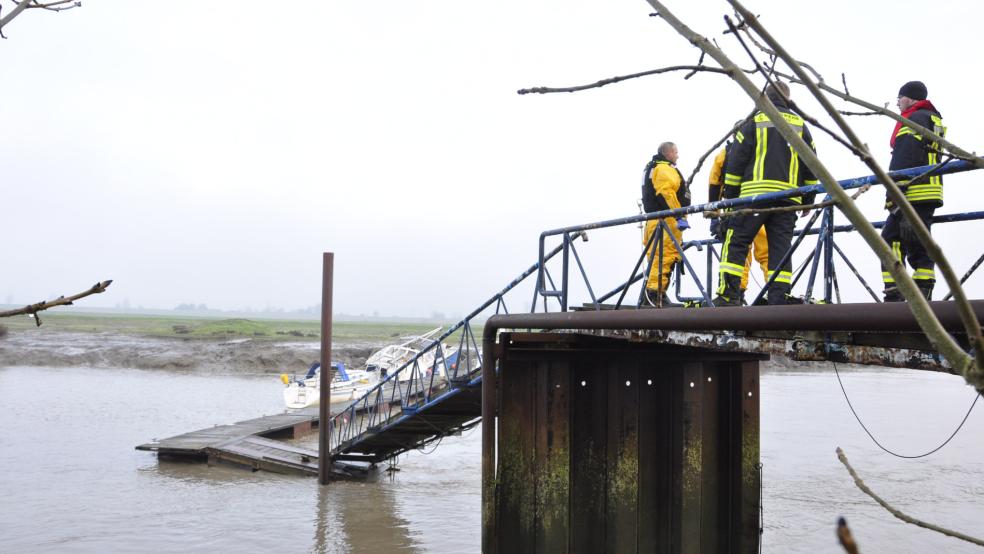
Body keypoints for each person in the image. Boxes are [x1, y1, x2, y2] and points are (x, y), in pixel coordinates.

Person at [713, 81, 818, 306]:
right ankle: (778, 298)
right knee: (780, 248)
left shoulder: (753, 121)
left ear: (765, 98)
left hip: (754, 198)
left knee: (736, 243)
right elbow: (812, 165)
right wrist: (808, 201)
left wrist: (731, 199)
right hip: (788, 200)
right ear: (788, 100)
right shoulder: (800, 125)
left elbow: (735, 163)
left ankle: (728, 295)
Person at [881, 80, 946, 301]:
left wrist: (894, 194)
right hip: (929, 189)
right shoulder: (932, 118)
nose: (897, 102)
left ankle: (897, 294)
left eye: (900, 97)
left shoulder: (914, 118)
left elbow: (905, 157)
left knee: (891, 240)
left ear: (910, 98)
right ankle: (919, 293)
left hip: (913, 191)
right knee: (915, 240)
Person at [708, 130, 769, 305]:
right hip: (762, 204)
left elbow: (715, 182)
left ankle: (734, 294)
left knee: (737, 252)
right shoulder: (761, 149)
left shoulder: (725, 153)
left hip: (736, 208)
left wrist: (714, 215)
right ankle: (776, 292)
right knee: (767, 251)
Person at [641, 141, 691, 307]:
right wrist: (679, 216)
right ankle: (654, 295)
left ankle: (655, 294)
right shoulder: (664, 169)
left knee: (657, 258)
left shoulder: (652, 168)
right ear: (668, 153)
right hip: (665, 220)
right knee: (665, 256)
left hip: (655, 220)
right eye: (676, 152)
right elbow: (666, 194)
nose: (678, 155)